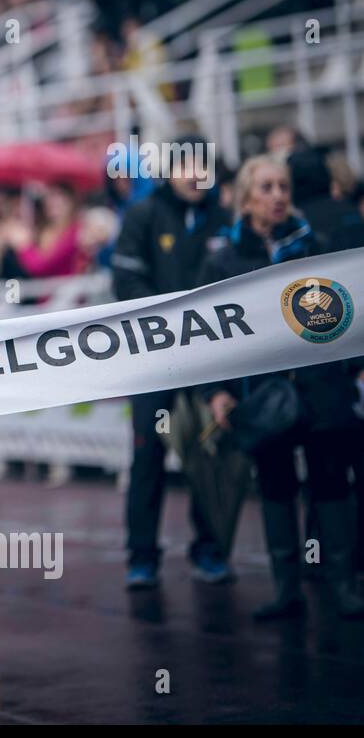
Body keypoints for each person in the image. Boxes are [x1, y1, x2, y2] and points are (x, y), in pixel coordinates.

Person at [198, 155, 364, 620]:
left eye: (284, 187)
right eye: (267, 187)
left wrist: (357, 371)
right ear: (247, 197)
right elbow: (204, 337)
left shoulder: (320, 247)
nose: (278, 196)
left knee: (331, 484)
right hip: (262, 392)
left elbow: (348, 315)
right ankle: (286, 590)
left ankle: (343, 586)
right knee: (275, 486)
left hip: (323, 386)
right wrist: (217, 392)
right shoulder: (224, 260)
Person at [109, 134, 232, 589]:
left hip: (211, 361)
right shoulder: (143, 214)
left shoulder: (225, 218)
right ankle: (142, 557)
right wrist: (172, 324)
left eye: (205, 165)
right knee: (147, 455)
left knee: (210, 450)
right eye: (187, 165)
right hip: (154, 359)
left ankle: (210, 550)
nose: (197, 175)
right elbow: (125, 279)